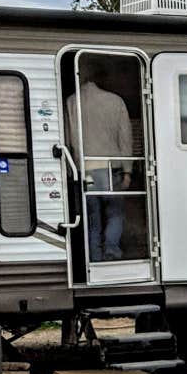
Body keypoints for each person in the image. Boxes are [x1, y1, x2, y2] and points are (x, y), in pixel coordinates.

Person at [68, 69, 140, 263]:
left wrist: (73, 169)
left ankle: (95, 257)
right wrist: (128, 170)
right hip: (111, 169)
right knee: (115, 212)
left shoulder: (71, 102)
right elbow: (125, 139)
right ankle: (111, 250)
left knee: (92, 217)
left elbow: (70, 140)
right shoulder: (116, 101)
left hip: (86, 170)